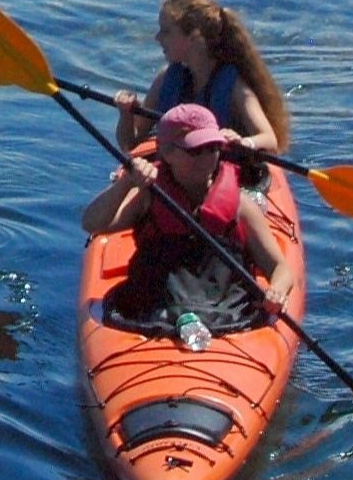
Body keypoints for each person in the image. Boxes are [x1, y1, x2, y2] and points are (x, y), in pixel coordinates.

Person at [81, 103, 297, 338]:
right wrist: (126, 183)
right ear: (166, 152)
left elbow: (280, 268)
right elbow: (93, 223)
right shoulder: (148, 195)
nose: (206, 158)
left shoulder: (240, 205)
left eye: (213, 148)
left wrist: (277, 291)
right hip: (154, 309)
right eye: (195, 151)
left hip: (228, 312)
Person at [115, 0, 290, 159]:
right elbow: (129, 144)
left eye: (166, 31)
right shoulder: (165, 79)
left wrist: (245, 142)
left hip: (219, 174)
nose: (157, 37)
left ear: (193, 36)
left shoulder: (234, 86)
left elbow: (269, 140)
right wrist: (126, 115)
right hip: (176, 172)